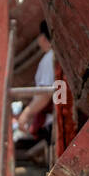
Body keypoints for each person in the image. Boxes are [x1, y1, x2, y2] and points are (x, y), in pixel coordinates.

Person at [15, 21, 55, 158]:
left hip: (55, 119)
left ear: (43, 38)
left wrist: (26, 115)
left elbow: (45, 95)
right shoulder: (56, 56)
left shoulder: (50, 58)